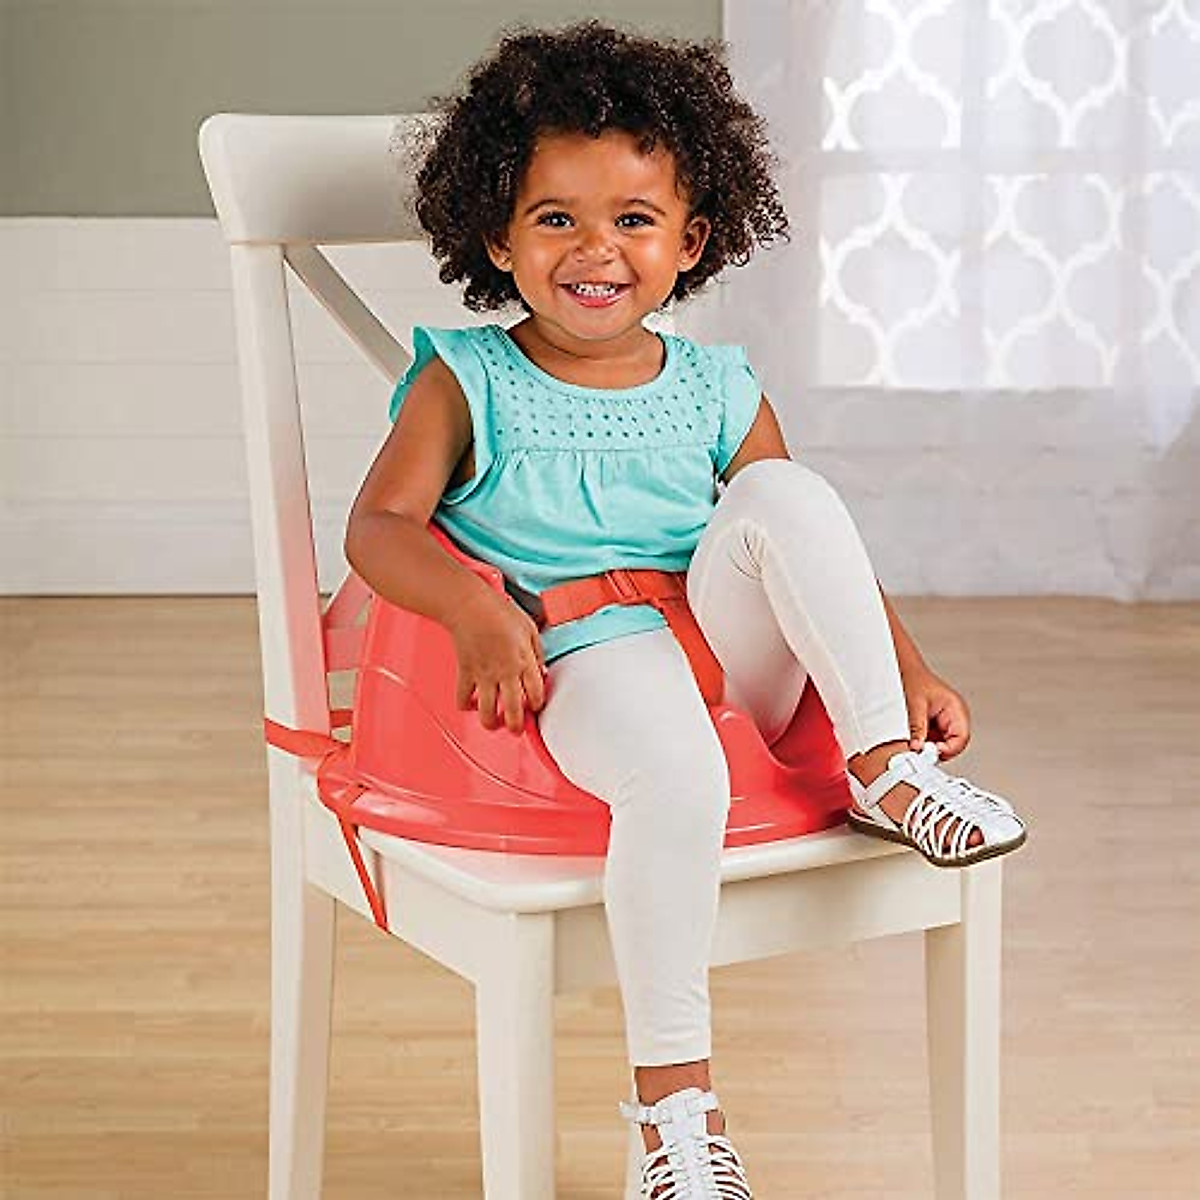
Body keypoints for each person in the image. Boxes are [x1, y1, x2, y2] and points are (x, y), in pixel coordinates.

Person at [345, 20, 1027, 1199]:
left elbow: (813, 557)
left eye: (633, 219)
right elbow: (379, 528)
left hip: (723, 650)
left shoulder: (717, 383)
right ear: (498, 235)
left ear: (690, 240)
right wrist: (472, 611)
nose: (595, 251)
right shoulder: (467, 378)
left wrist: (905, 671)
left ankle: (882, 764)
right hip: (579, 660)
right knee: (680, 778)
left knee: (787, 493)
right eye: (555, 218)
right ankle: (677, 1117)